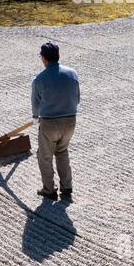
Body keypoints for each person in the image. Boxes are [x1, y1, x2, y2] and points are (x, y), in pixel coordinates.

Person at [31, 41, 79, 199]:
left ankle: (49, 189)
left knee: (44, 156)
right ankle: (67, 187)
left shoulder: (39, 79)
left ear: (44, 58)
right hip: (70, 121)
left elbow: (36, 104)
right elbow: (77, 98)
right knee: (62, 152)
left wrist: (36, 120)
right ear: (58, 56)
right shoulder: (72, 73)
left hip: (50, 124)